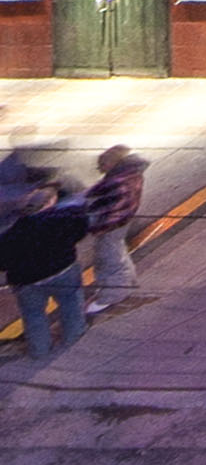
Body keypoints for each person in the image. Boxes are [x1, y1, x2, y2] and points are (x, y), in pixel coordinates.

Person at [0, 183, 80, 365]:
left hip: (27, 282)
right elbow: (80, 230)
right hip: (64, 271)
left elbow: (2, 263)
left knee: (33, 315)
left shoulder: (13, 233)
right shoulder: (63, 220)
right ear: (49, 203)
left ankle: (40, 350)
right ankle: (73, 340)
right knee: (70, 305)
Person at [77, 150, 142, 313]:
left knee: (109, 259)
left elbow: (109, 208)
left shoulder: (118, 182)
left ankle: (111, 296)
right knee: (118, 252)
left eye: (102, 165)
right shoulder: (128, 174)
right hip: (122, 222)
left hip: (112, 225)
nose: (99, 169)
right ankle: (128, 283)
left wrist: (96, 224)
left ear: (112, 163)